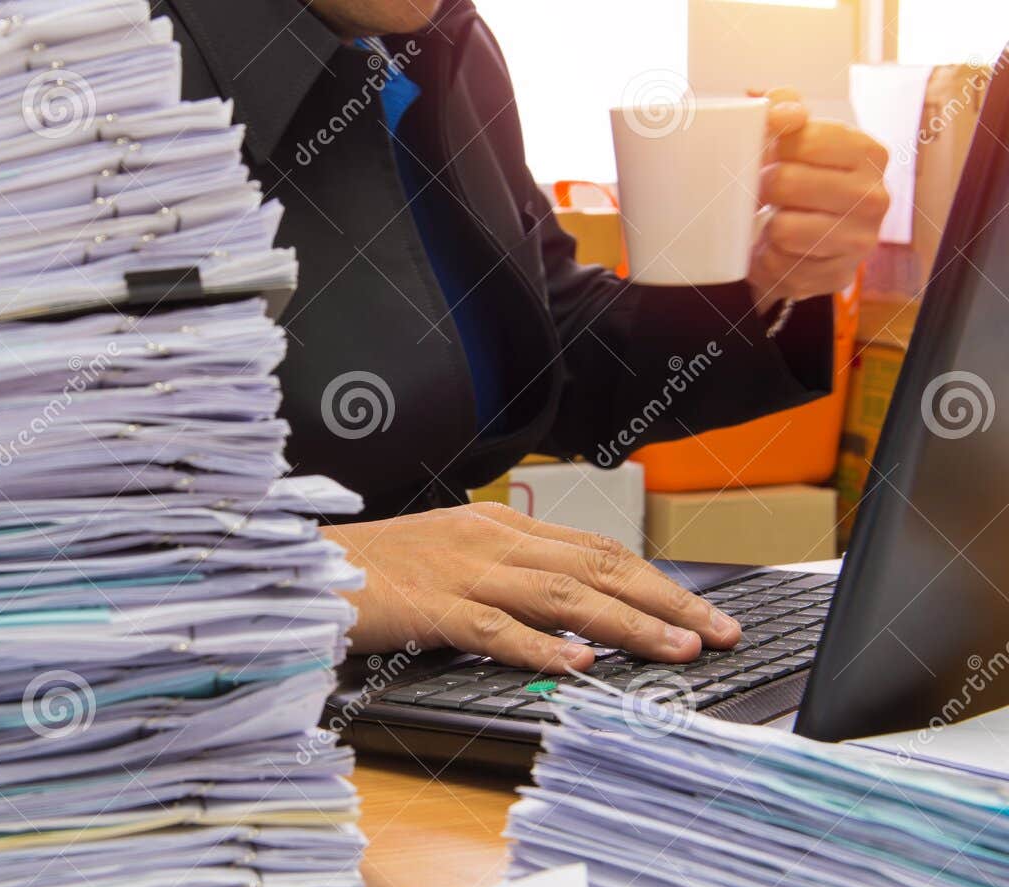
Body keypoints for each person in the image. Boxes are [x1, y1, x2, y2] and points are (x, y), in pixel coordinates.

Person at [152, 0, 890, 672]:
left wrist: (768, 282)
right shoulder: (79, 60)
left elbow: (550, 350)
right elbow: (46, 559)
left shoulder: (442, 39)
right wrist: (324, 571)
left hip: (432, 682)